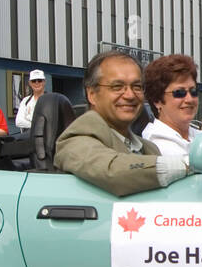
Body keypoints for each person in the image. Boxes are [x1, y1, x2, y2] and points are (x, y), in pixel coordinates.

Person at [54, 51, 194, 196]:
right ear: (92, 94)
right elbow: (113, 172)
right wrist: (188, 165)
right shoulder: (74, 141)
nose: (130, 95)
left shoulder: (148, 148)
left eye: (137, 86)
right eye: (117, 86)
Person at [14, 70, 46, 134]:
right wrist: (37, 125)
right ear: (30, 83)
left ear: (44, 82)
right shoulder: (25, 101)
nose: (37, 83)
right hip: (28, 137)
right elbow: (19, 121)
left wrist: (28, 121)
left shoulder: (50, 99)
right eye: (34, 81)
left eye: (39, 80)